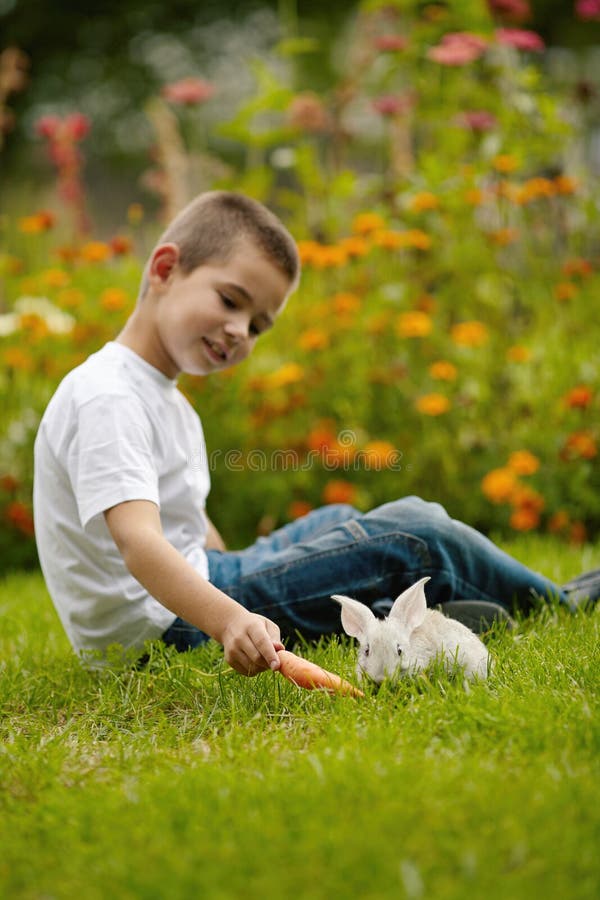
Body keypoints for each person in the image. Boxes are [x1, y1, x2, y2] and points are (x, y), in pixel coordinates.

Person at [33, 191, 599, 674]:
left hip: (186, 598)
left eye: (257, 324)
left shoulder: (157, 392)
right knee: (410, 533)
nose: (239, 330)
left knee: (337, 525)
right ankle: (563, 603)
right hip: (160, 634)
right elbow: (140, 542)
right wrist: (232, 617)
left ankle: (408, 618)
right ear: (163, 269)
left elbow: (186, 523)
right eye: (230, 300)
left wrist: (261, 577)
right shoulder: (108, 394)